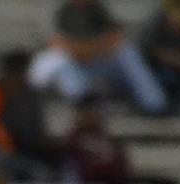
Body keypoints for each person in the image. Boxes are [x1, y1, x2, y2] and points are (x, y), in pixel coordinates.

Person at [30, 0, 168, 115]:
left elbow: (115, 37)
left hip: (95, 62)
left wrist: (90, 49)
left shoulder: (98, 9)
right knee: (56, 60)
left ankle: (154, 104)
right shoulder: (58, 10)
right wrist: (87, 49)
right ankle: (82, 105)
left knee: (127, 52)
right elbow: (56, 42)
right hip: (68, 66)